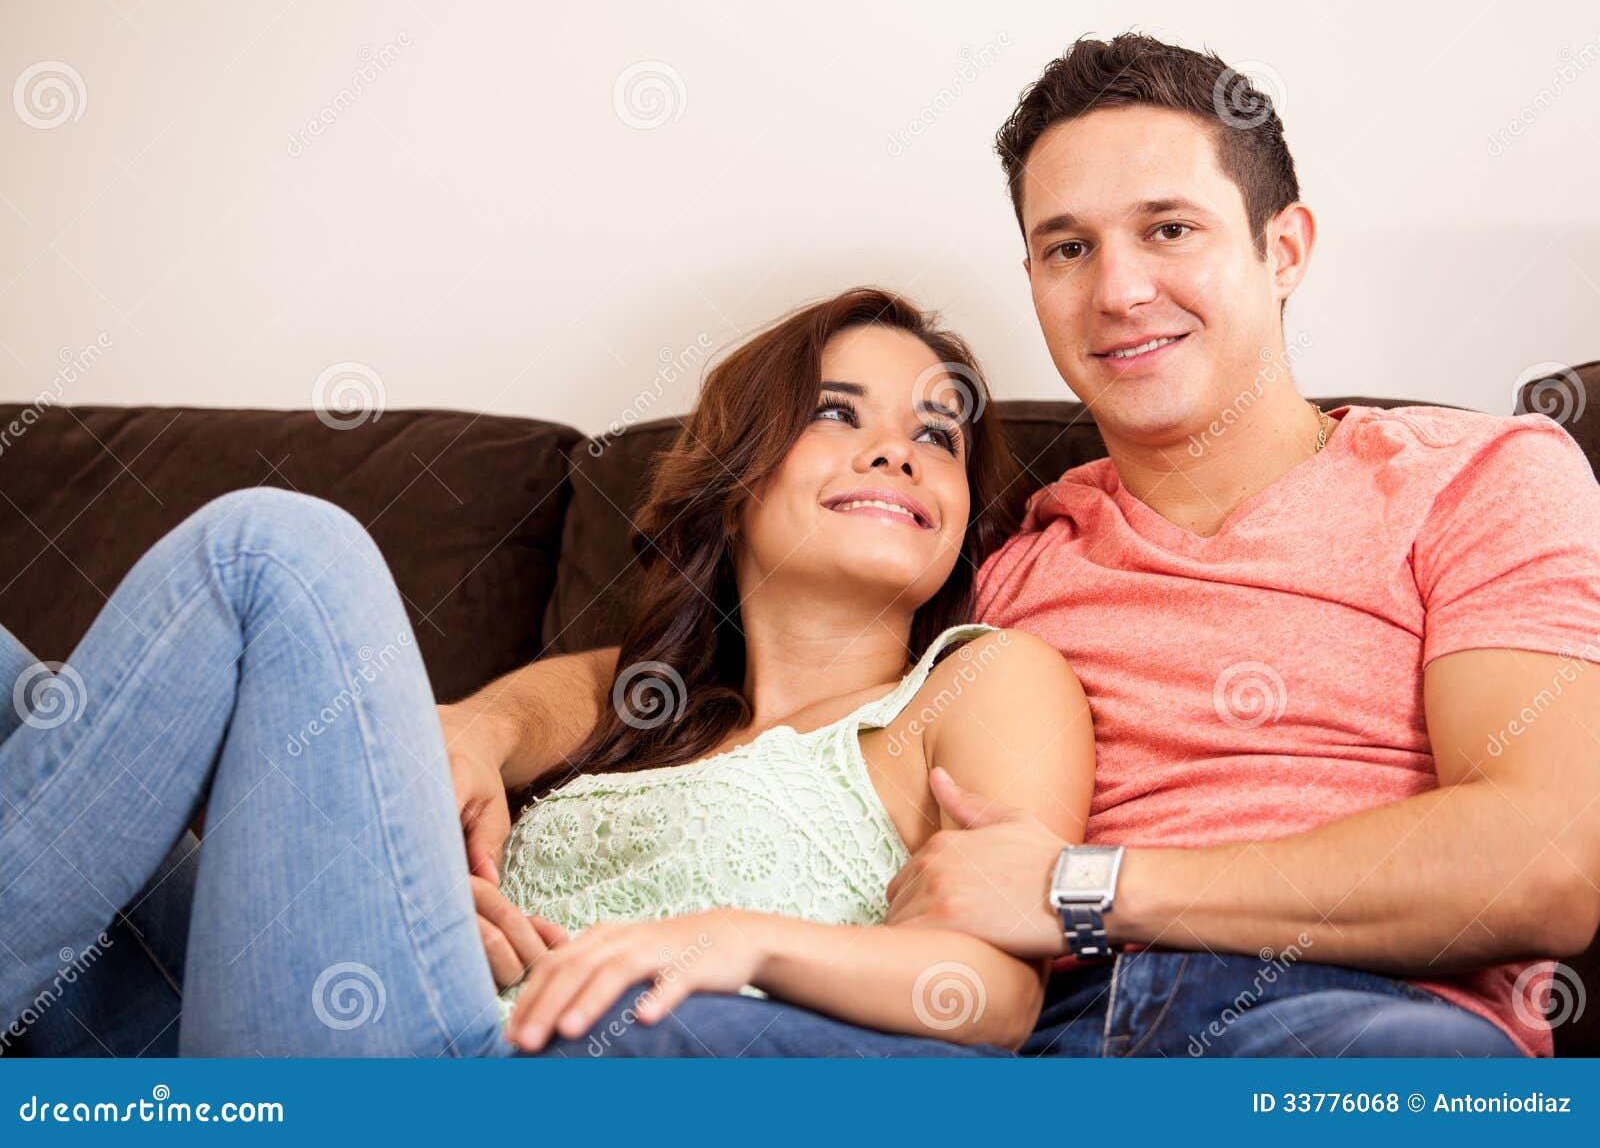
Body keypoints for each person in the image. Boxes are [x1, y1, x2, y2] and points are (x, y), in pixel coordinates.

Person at [445, 34, 1600, 1058]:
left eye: (1168, 229)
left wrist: (1082, 887)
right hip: (1023, 1042)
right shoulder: (991, 551)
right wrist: (479, 729)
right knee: (628, 1039)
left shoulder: (1480, 476)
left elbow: (1549, 855)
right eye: (1065, 249)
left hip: (1335, 1015)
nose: (1119, 290)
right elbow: (721, 671)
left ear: (1284, 247)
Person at [0, 288, 1094, 1057]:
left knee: (274, 552)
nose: (899, 450)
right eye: (835, 412)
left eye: (939, 435)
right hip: (316, 1020)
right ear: (732, 480)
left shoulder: (983, 682)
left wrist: (737, 936)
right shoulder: (645, 698)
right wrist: (446, 889)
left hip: (456, 1075)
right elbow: (549, 701)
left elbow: (990, 996)